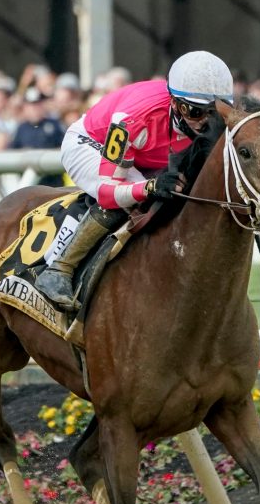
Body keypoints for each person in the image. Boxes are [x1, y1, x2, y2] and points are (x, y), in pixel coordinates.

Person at [34, 50, 234, 310]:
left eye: (215, 112)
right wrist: (150, 187)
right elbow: (108, 192)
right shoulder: (132, 119)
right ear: (176, 104)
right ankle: (59, 269)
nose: (206, 123)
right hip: (90, 143)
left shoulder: (204, 120)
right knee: (133, 197)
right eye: (196, 112)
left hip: (143, 155)